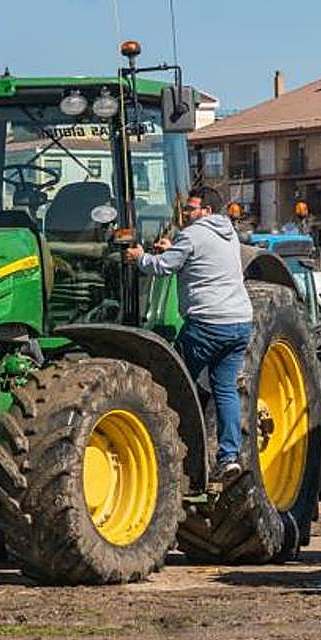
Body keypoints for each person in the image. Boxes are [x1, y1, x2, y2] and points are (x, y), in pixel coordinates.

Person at [126, 186, 253, 482]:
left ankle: (173, 453)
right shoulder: (229, 233)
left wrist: (140, 256)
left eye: (192, 209)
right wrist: (175, 248)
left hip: (207, 324)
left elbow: (161, 268)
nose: (186, 213)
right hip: (239, 323)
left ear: (207, 211)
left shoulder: (193, 234)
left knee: (174, 384)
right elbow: (200, 258)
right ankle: (229, 456)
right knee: (225, 390)